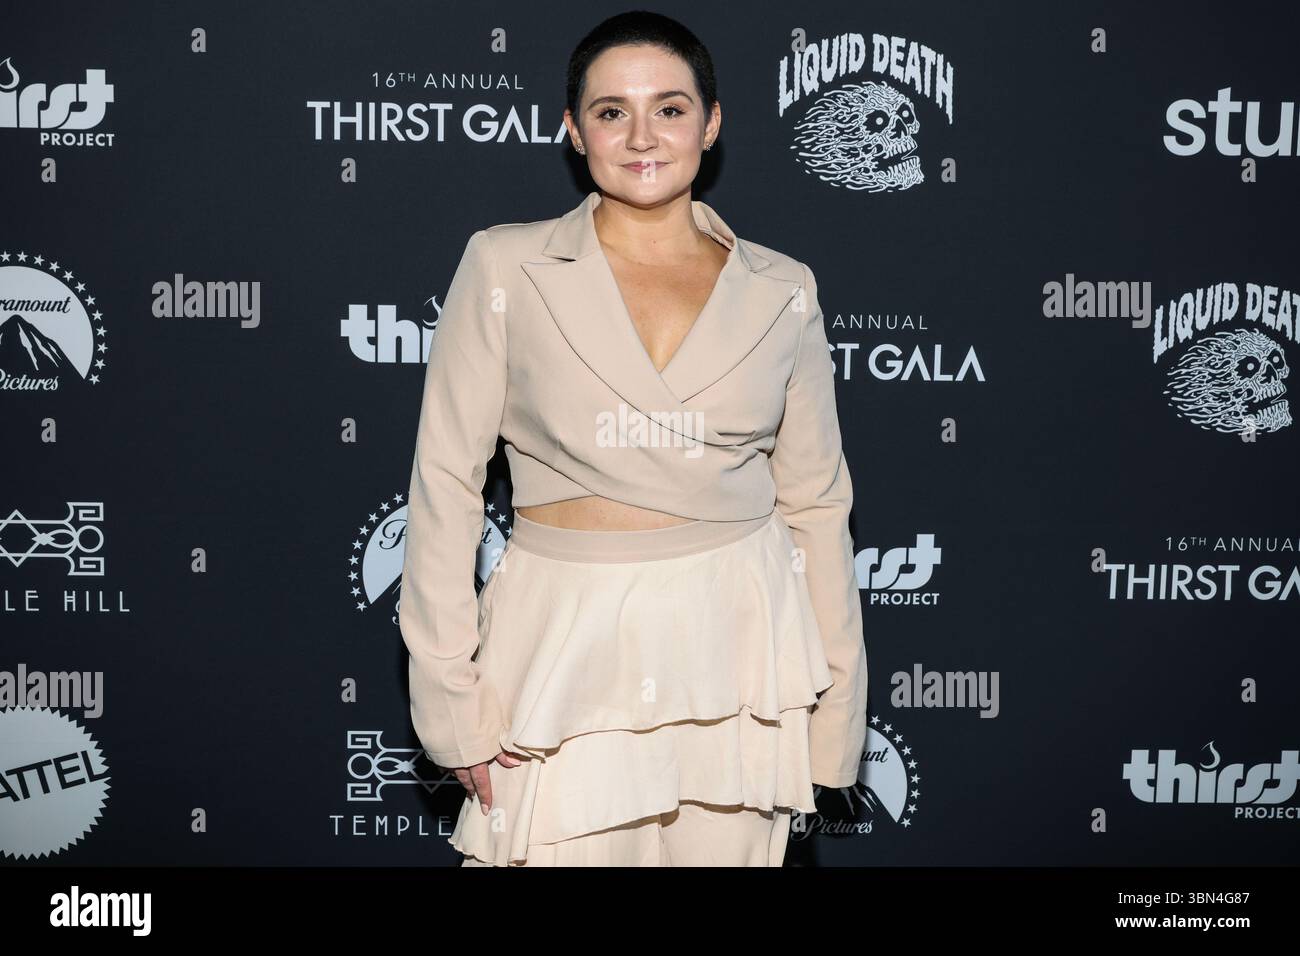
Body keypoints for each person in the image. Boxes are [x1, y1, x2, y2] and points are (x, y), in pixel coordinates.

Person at [398, 10, 868, 867]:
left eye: (672, 108)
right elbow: (445, 483)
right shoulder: (507, 266)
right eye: (612, 111)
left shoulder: (782, 286)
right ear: (574, 131)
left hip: (738, 644)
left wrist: (835, 707)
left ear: (713, 122)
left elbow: (816, 503)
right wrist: (448, 695)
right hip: (562, 641)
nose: (642, 135)